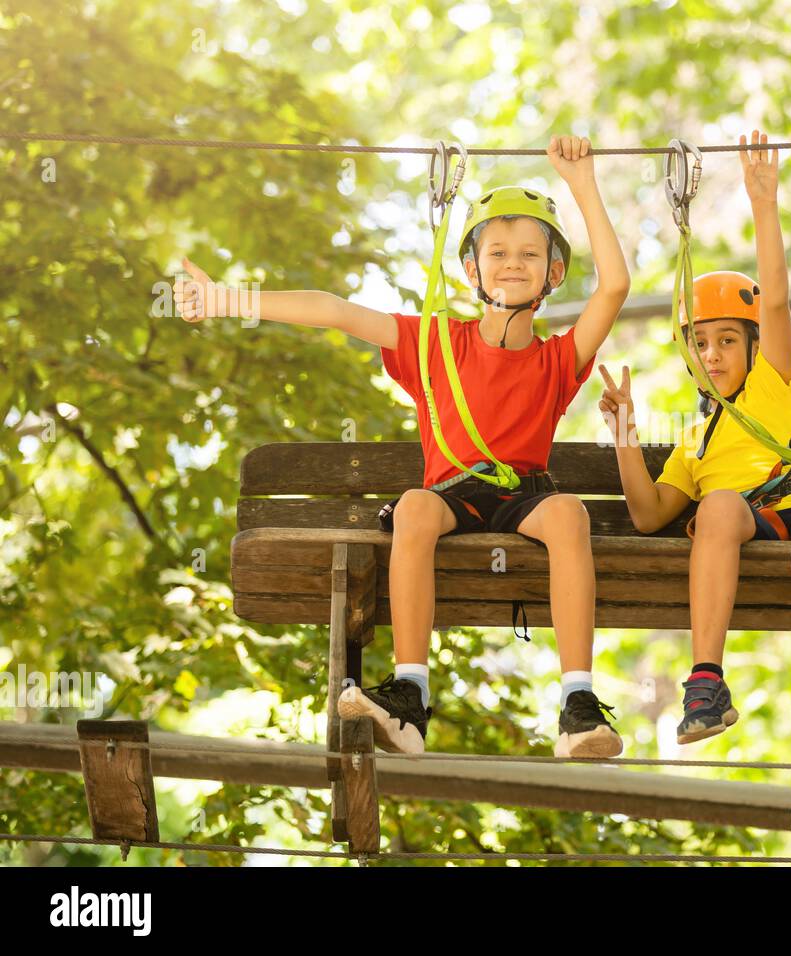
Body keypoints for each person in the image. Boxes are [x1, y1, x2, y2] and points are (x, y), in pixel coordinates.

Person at [175, 135, 629, 759]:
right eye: (497, 252)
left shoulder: (557, 358)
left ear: (554, 272)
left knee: (570, 513)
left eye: (531, 253)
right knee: (414, 506)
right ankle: (410, 699)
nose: (513, 263)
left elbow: (615, 289)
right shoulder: (435, 341)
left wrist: (582, 183)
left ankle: (578, 706)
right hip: (453, 497)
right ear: (471, 270)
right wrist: (226, 299)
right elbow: (334, 310)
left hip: (523, 496)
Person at [596, 130, 791, 766]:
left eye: (728, 340)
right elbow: (649, 515)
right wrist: (625, 433)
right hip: (742, 521)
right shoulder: (693, 445)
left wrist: (765, 205)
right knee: (722, 505)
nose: (713, 354)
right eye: (701, 345)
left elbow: (778, 299)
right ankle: (706, 683)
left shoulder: (772, 383)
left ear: (754, 347)